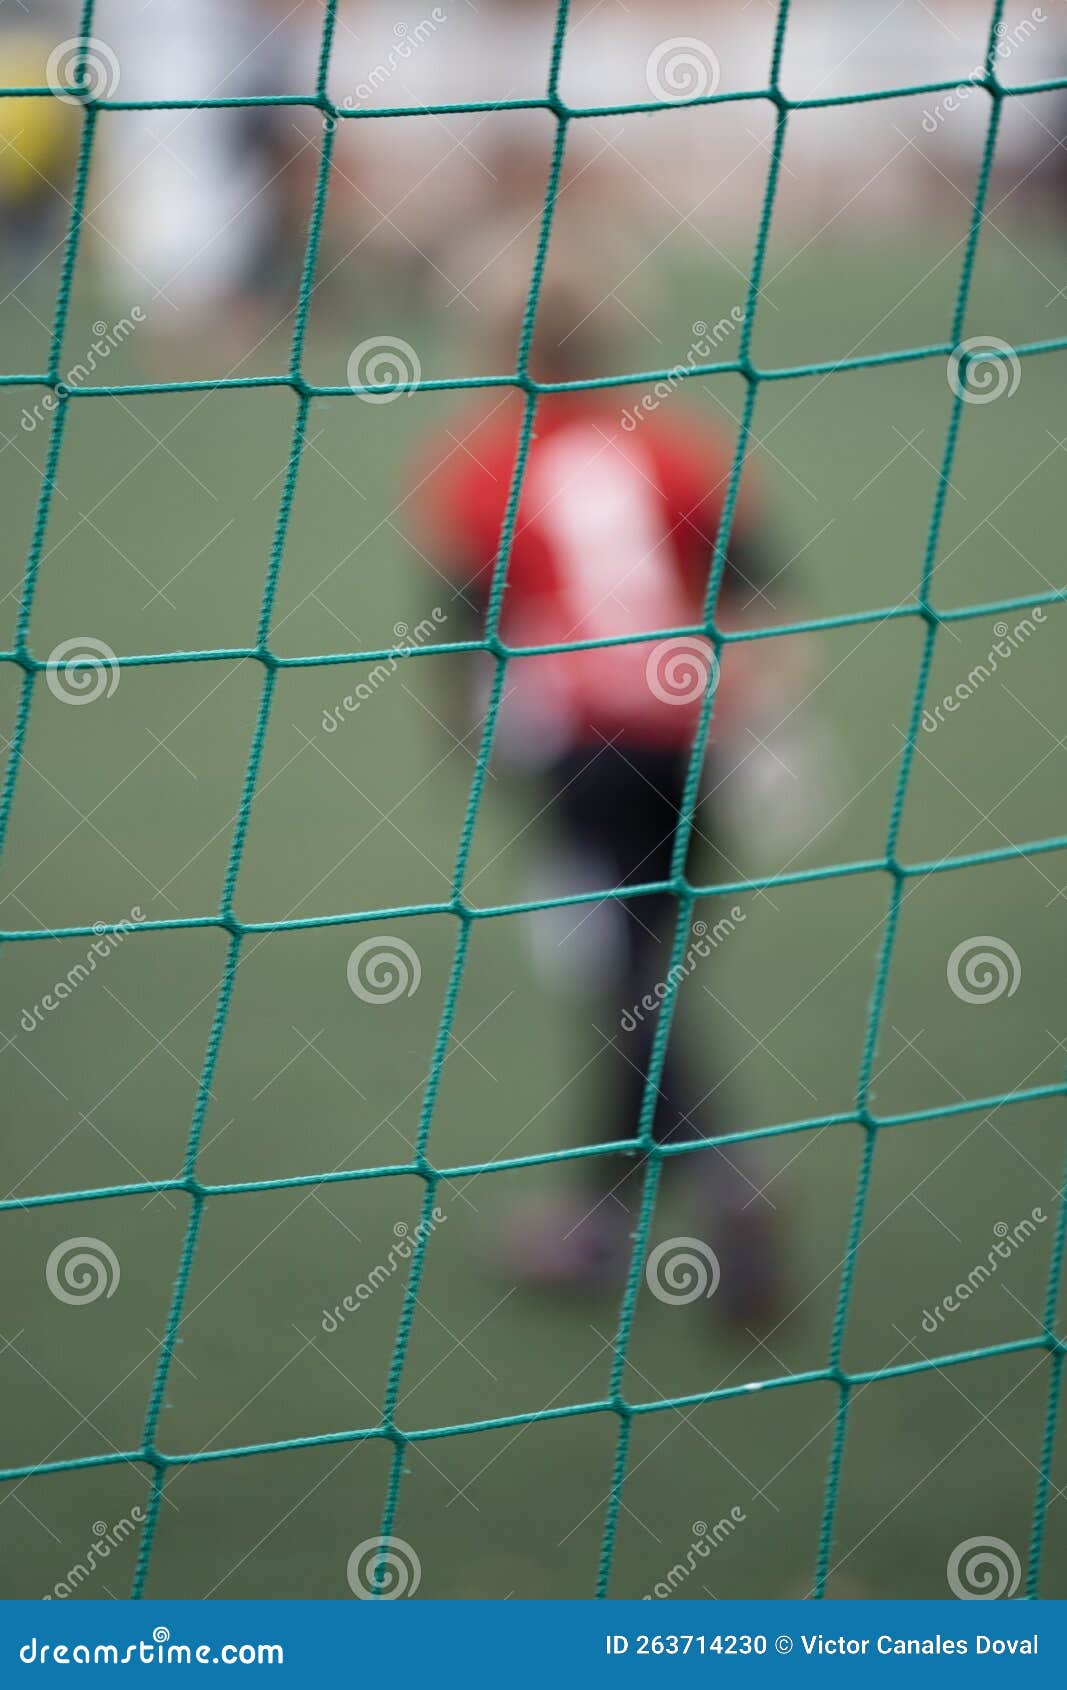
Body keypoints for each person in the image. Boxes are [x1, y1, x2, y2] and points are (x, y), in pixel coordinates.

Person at [412, 280, 797, 1328]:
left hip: (582, 749)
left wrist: (467, 744)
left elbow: (460, 630)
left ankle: (728, 1175)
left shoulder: (479, 465)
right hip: (688, 735)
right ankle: (596, 1219)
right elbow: (757, 597)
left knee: (624, 976)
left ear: (494, 343)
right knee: (641, 969)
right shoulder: (675, 445)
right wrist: (764, 729)